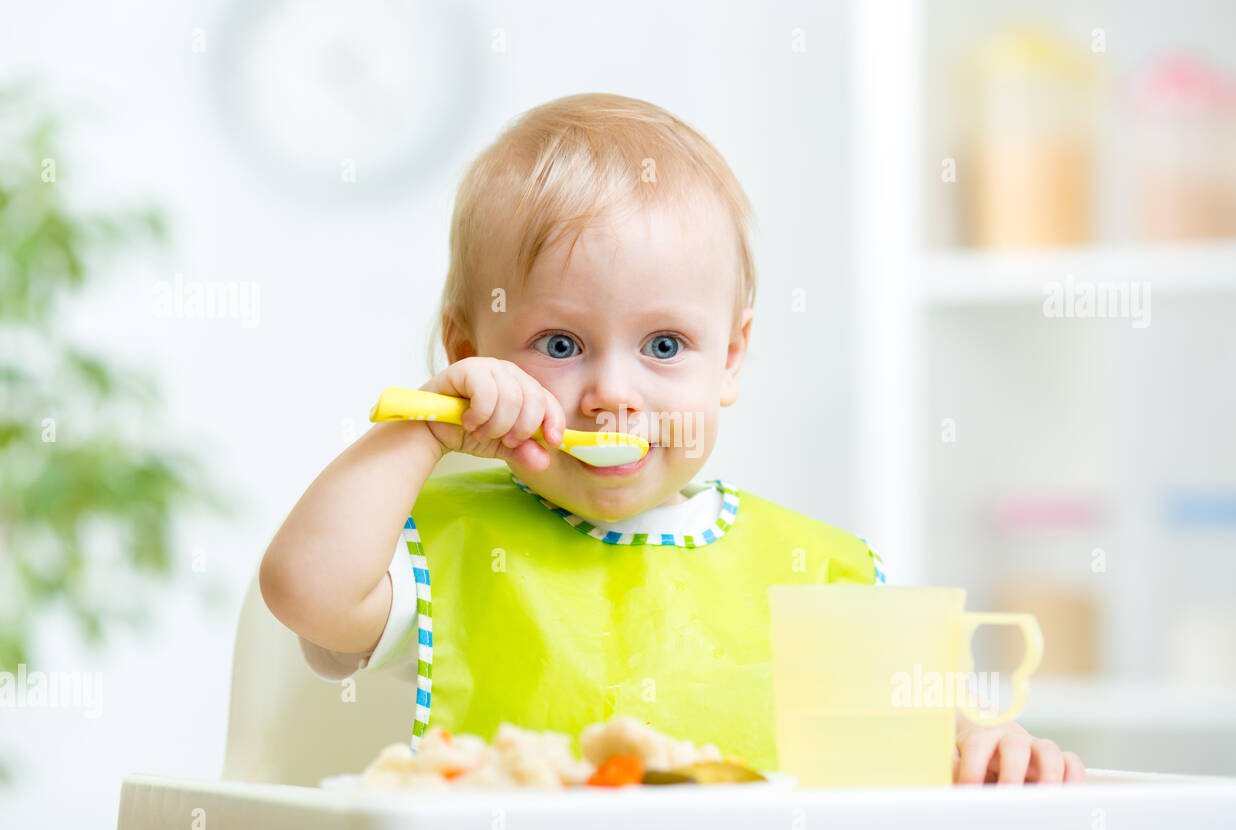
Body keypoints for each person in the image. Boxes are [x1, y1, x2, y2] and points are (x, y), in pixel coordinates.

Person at [259, 92, 1084, 784]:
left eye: (663, 346)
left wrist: (985, 748)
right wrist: (427, 428)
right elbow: (302, 589)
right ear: (472, 355)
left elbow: (918, 754)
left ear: (728, 362)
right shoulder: (446, 542)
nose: (614, 394)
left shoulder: (817, 575)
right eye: (559, 345)